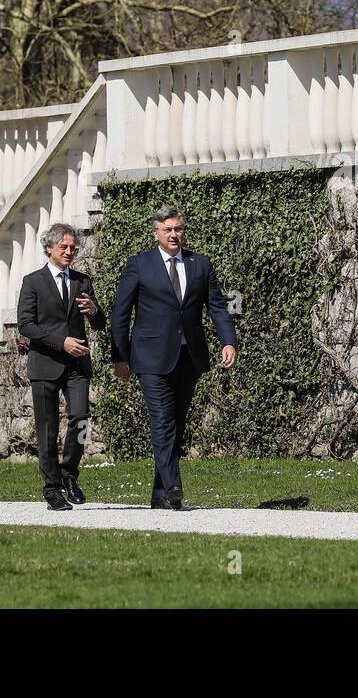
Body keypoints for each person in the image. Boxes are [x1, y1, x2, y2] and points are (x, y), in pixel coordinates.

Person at [110, 207, 238, 510]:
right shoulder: (139, 265)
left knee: (177, 425)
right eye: (167, 229)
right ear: (156, 233)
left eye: (178, 229)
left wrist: (228, 341)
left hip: (188, 357)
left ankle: (159, 494)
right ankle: (174, 486)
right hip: (151, 358)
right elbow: (120, 313)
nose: (173, 235)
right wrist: (120, 357)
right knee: (162, 420)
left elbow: (217, 307)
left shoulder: (200, 264)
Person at [17, 222, 107, 511]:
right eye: (64, 247)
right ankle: (52, 487)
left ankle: (69, 473)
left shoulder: (83, 281)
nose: (69, 252)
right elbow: (26, 325)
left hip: (77, 364)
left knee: (80, 419)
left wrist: (95, 312)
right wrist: (62, 341)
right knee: (47, 428)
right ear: (49, 248)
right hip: (45, 364)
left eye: (73, 248)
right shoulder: (33, 282)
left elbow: (99, 323)